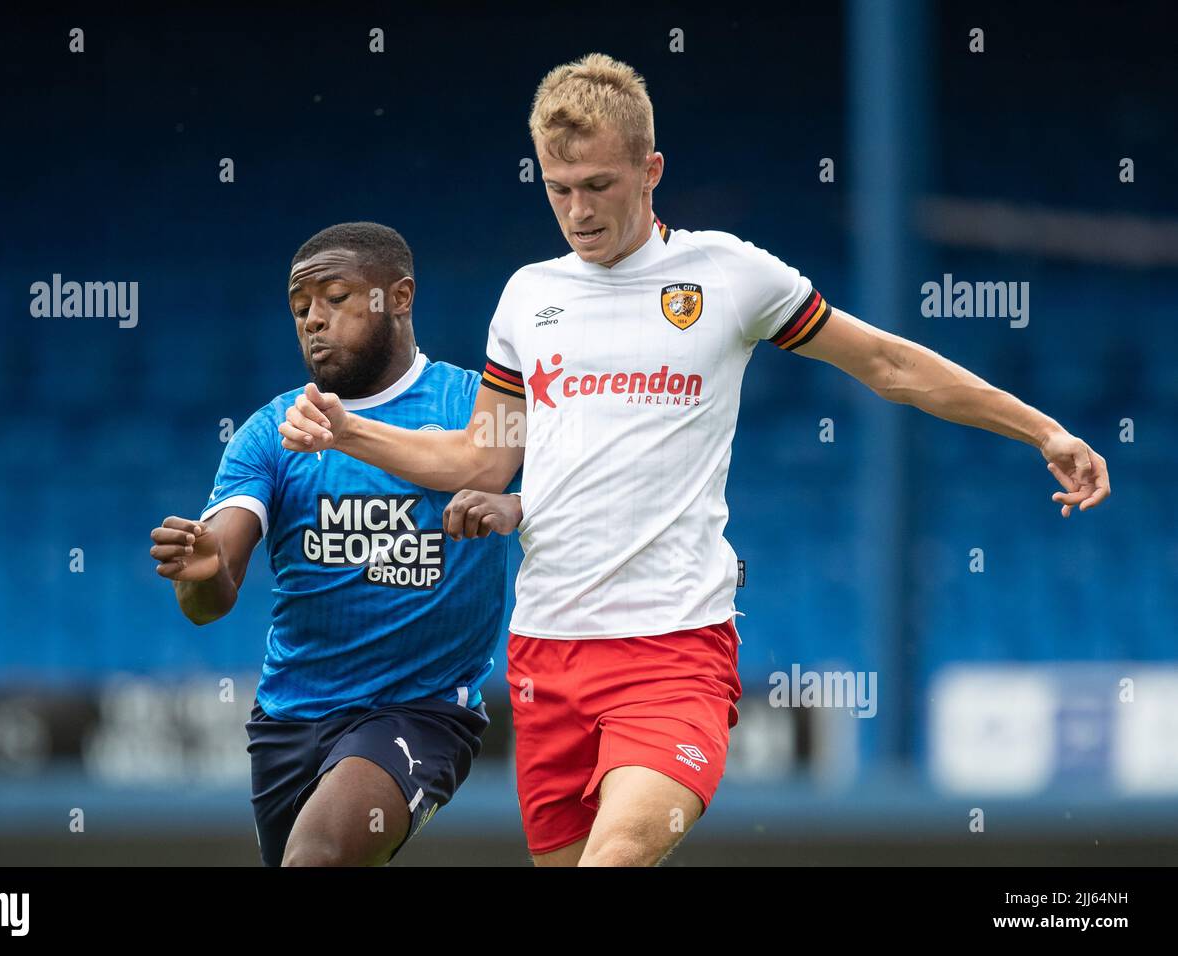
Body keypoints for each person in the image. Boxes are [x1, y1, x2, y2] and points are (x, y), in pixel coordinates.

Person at [278, 55, 1111, 867]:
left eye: (599, 186)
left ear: (651, 170)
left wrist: (1042, 430)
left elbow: (888, 363)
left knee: (622, 852)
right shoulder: (529, 298)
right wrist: (352, 433)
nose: (579, 211)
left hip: (674, 647)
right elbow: (485, 459)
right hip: (545, 650)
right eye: (558, 189)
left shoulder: (727, 276)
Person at [148, 222, 513, 866]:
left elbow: (564, 507)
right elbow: (208, 601)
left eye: (335, 296)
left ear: (398, 297)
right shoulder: (273, 431)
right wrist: (200, 571)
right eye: (299, 308)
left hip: (420, 710)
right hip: (289, 722)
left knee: (317, 858)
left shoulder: (477, 410)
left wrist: (510, 504)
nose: (313, 320)